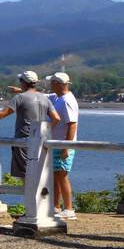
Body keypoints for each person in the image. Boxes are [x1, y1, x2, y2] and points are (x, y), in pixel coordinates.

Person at [0, 71, 59, 179]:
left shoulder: (20, 98)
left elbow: (1, 114)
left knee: (26, 177)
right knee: (40, 176)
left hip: (24, 142)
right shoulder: (44, 98)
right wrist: (46, 131)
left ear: (23, 82)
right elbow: (56, 118)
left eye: (20, 81)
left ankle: (29, 196)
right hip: (41, 141)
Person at [47, 71, 79, 220]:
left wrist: (66, 146)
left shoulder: (66, 101)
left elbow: (72, 124)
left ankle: (69, 209)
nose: (50, 85)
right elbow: (42, 96)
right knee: (56, 176)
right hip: (57, 143)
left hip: (63, 144)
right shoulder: (57, 97)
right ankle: (56, 206)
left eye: (52, 83)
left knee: (62, 175)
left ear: (58, 84)